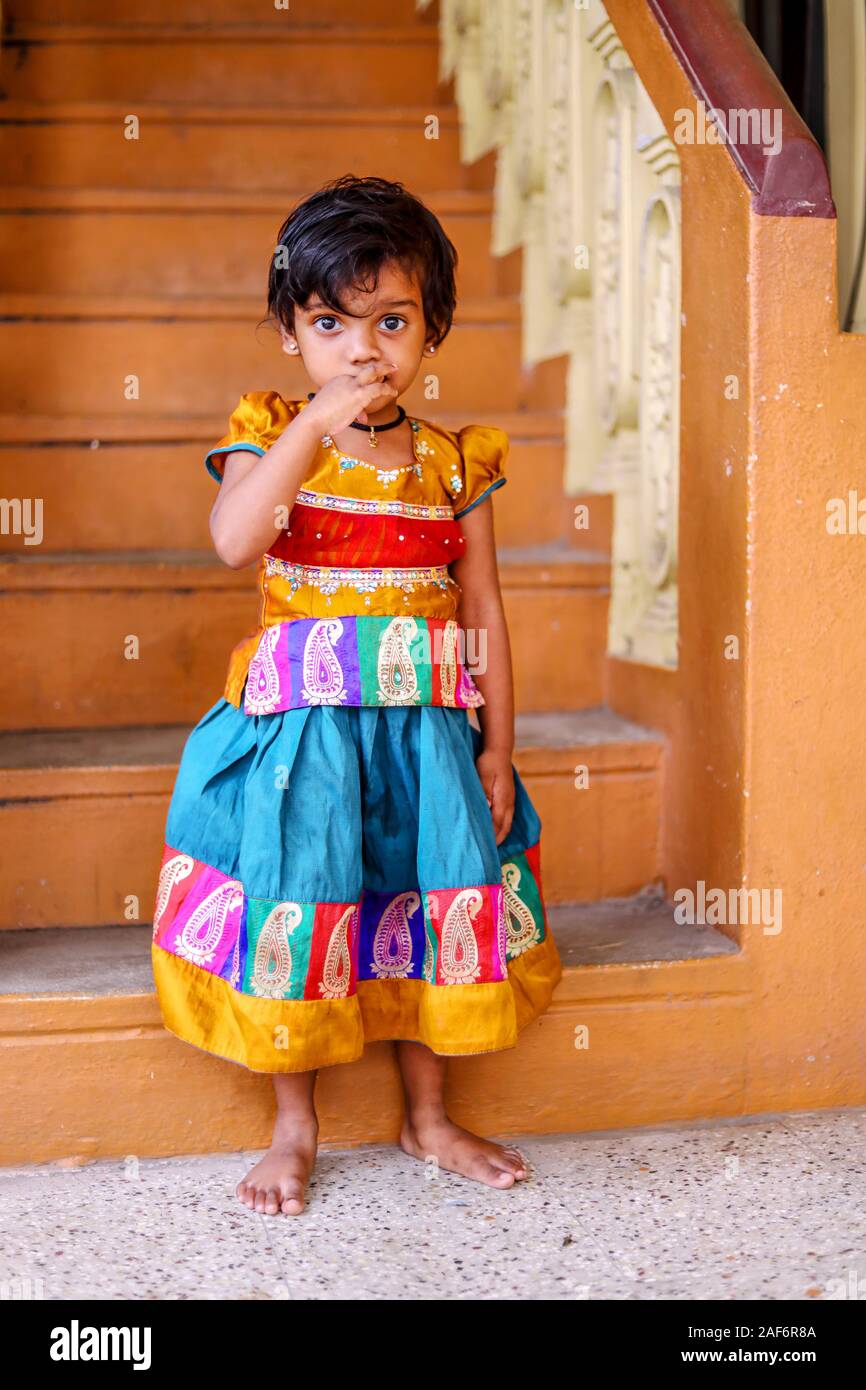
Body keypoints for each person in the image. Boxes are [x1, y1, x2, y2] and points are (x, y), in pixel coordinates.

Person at [151, 174, 563, 1216]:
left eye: (391, 321)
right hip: (305, 740)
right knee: (304, 900)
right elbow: (236, 536)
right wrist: (312, 429)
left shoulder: (449, 466)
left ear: (432, 333)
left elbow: (484, 610)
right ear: (293, 333)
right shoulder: (270, 431)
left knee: (431, 902)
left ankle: (426, 1116)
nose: (361, 349)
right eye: (330, 323)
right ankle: (296, 1124)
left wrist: (496, 749)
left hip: (428, 736)